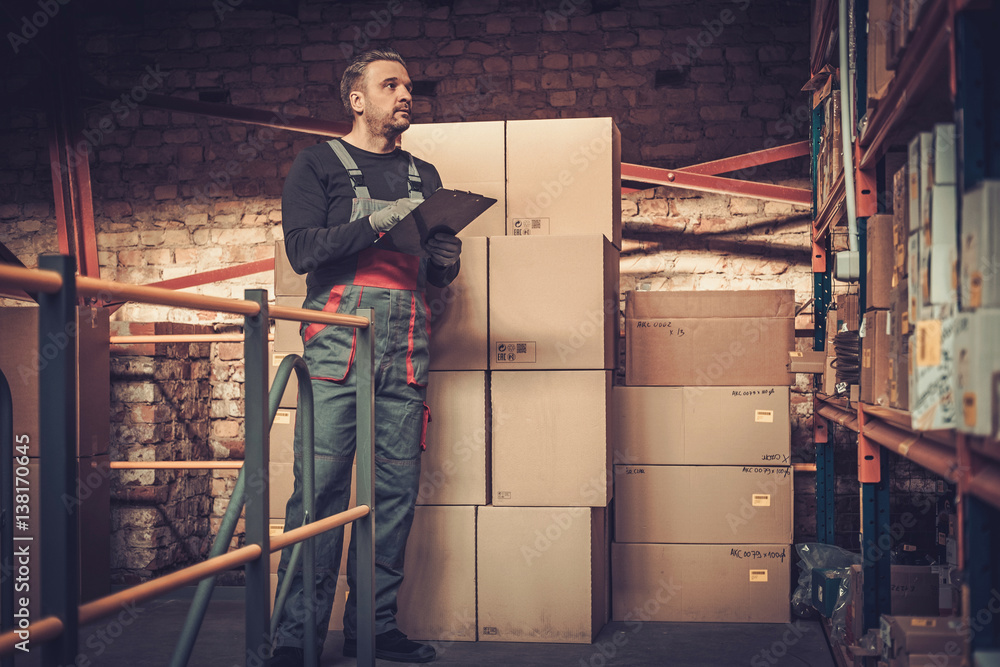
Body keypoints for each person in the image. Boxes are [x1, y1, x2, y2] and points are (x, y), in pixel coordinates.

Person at [268, 47, 461, 666]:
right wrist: (375, 223)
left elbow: (430, 269)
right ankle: (295, 638)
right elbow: (302, 251)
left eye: (409, 86)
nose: (406, 95)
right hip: (336, 340)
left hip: (405, 342)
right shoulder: (317, 164)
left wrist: (443, 264)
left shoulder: (425, 176)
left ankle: (373, 630)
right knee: (318, 493)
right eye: (391, 85)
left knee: (394, 494)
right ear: (357, 99)